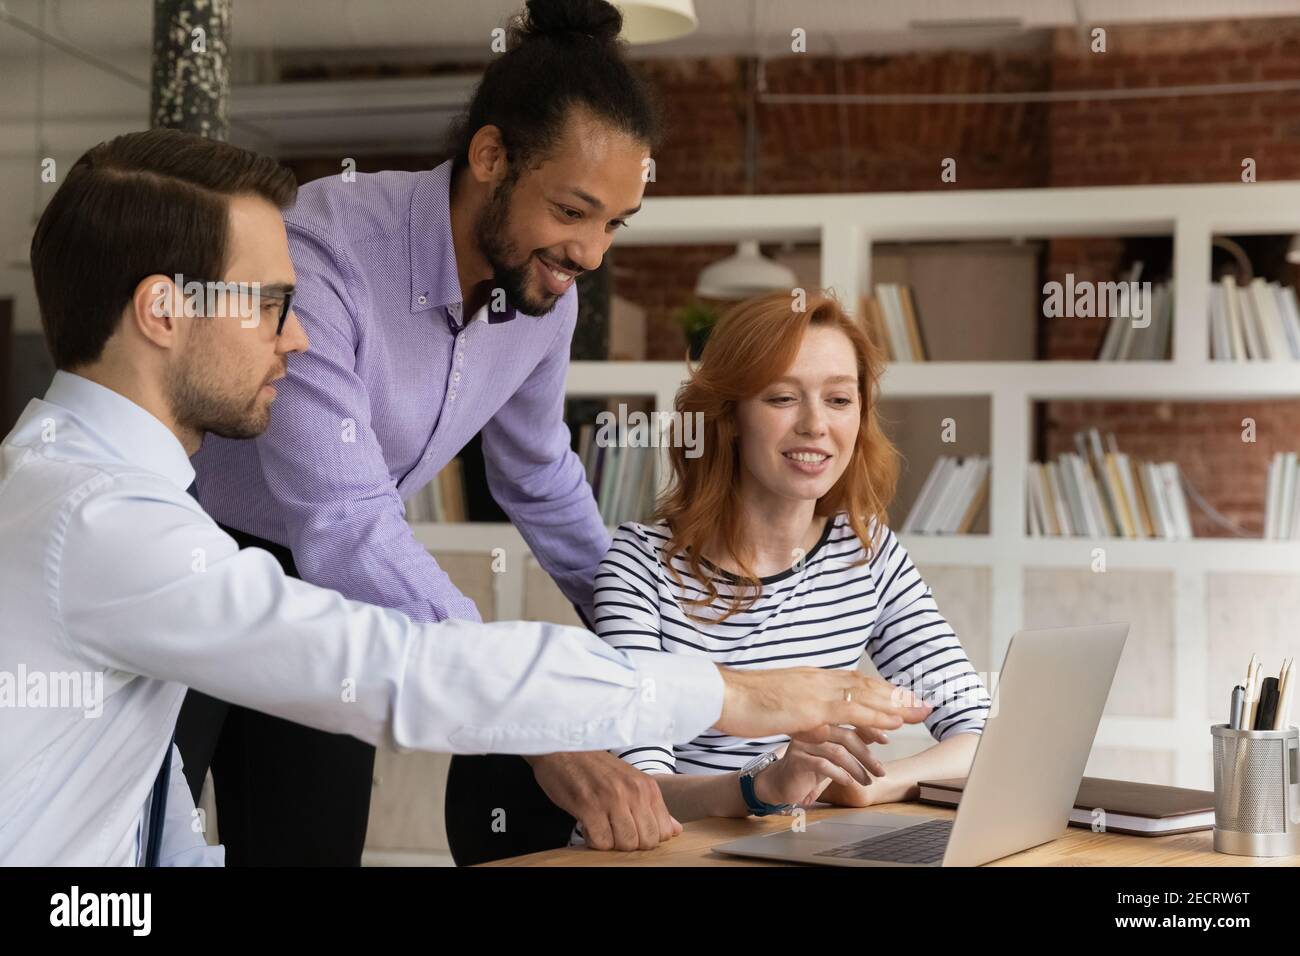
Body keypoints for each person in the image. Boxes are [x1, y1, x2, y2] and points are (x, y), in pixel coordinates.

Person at [0, 129, 932, 866]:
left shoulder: (89, 491)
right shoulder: (106, 524)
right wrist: (727, 693)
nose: (296, 342)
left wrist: (648, 604)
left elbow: (139, 836)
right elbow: (402, 667)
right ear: (164, 311)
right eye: (271, 306)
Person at [179, 0, 704, 864]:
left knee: (310, 849)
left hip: (328, 597)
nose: (592, 254)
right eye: (573, 211)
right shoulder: (327, 252)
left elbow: (536, 475)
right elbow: (348, 521)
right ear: (491, 156)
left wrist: (657, 640)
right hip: (195, 558)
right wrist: (528, 714)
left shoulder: (543, 296)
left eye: (614, 223)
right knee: (125, 851)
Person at [587, 290, 990, 824]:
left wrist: (872, 784)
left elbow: (983, 734)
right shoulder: (639, 567)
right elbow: (638, 790)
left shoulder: (867, 553)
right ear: (728, 417)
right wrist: (762, 786)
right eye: (782, 398)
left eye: (839, 400)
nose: (815, 425)